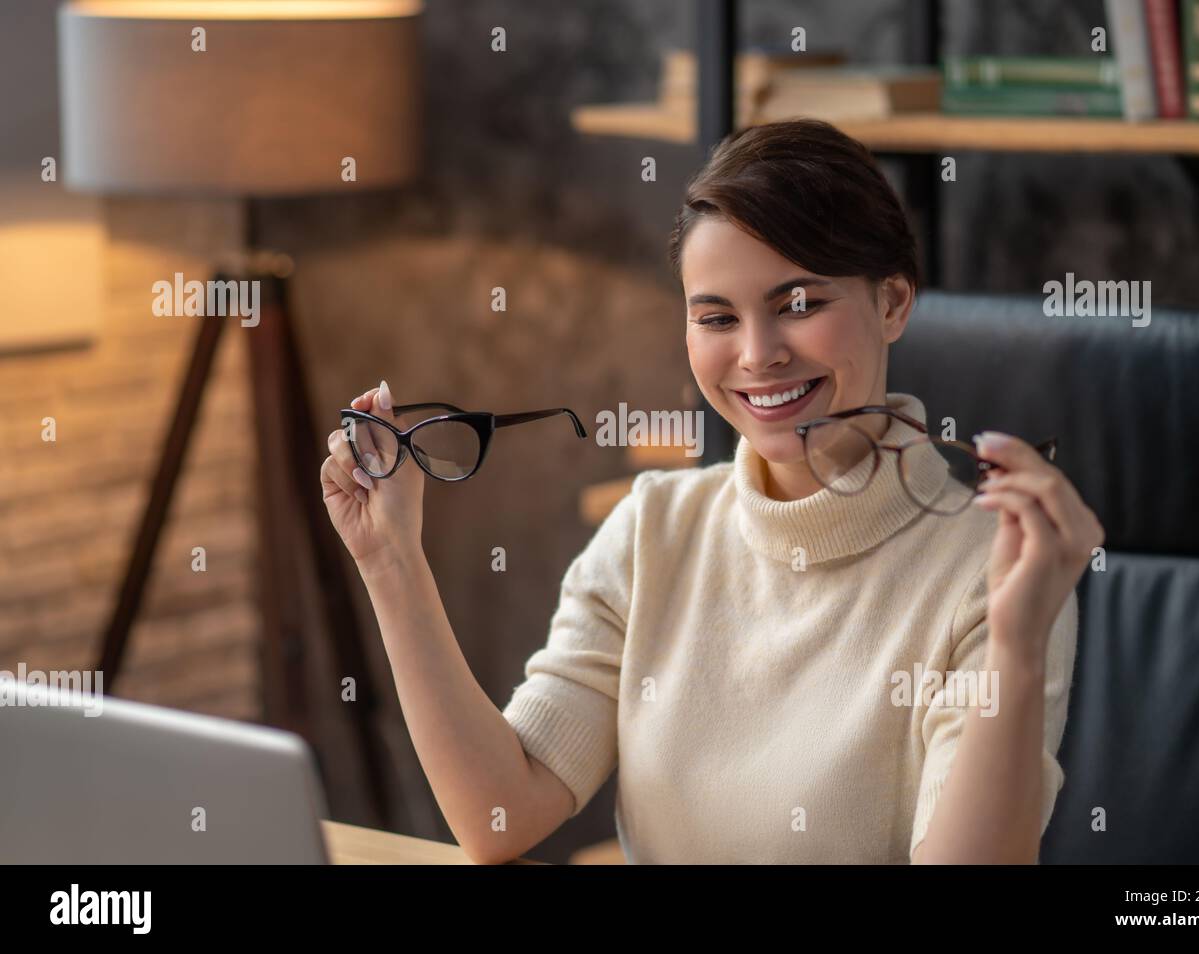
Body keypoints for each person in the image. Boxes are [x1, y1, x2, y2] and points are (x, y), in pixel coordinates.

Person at [320, 118, 1104, 864]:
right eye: (718, 317)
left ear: (891, 303)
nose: (758, 355)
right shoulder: (652, 530)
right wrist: (393, 566)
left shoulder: (987, 574)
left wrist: (1014, 649)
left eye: (799, 305)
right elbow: (499, 814)